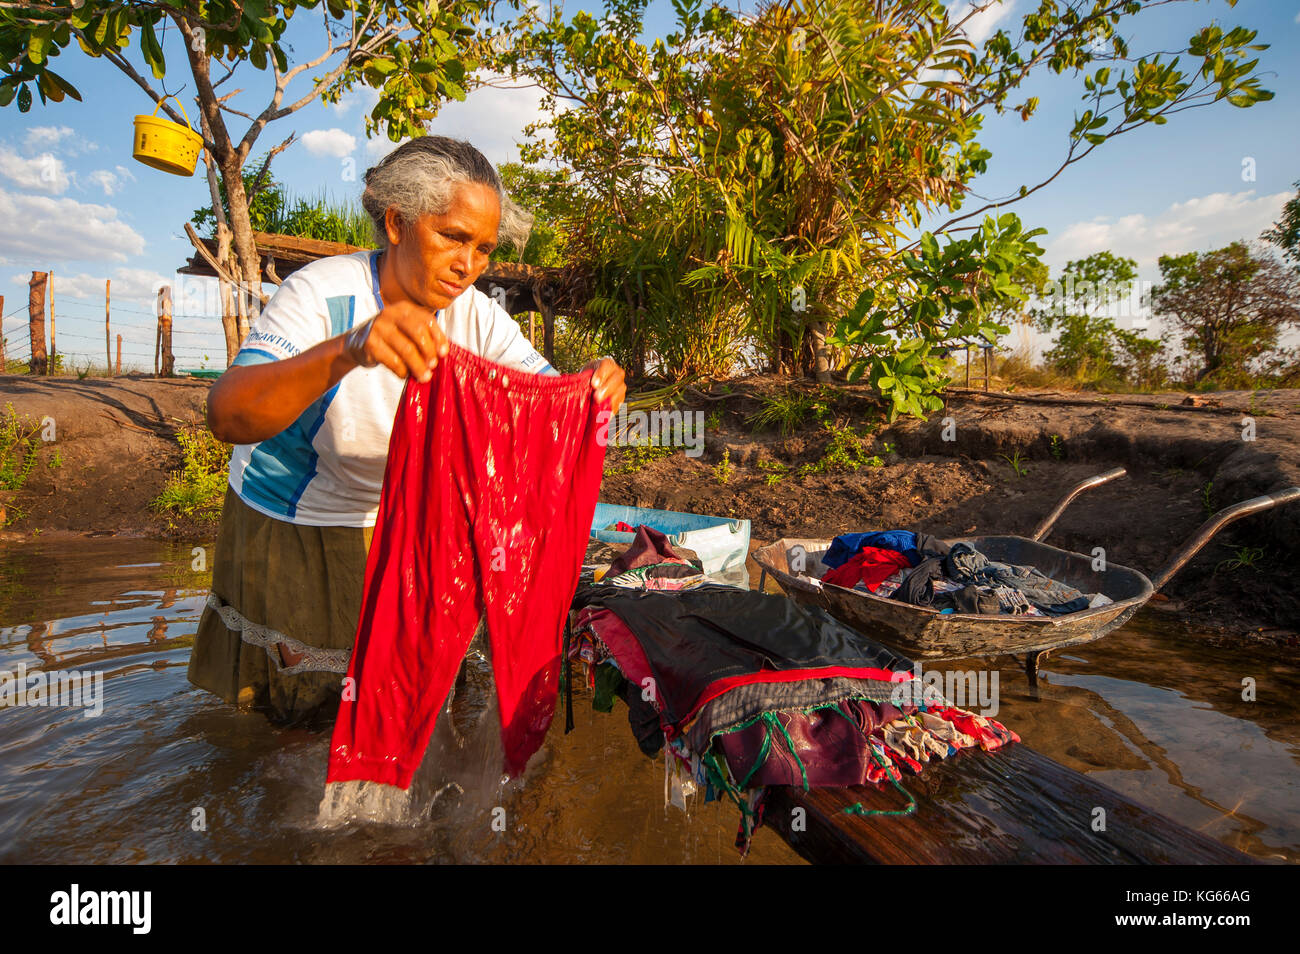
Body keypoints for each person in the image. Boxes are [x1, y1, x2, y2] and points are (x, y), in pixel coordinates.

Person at [187, 136, 626, 729]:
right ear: (396, 223)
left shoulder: (476, 315)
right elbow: (228, 414)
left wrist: (590, 386)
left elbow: (546, 399)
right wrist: (350, 348)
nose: (468, 265)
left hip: (406, 516)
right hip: (300, 519)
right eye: (453, 237)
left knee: (400, 691)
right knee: (306, 706)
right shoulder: (322, 293)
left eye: (483, 248)